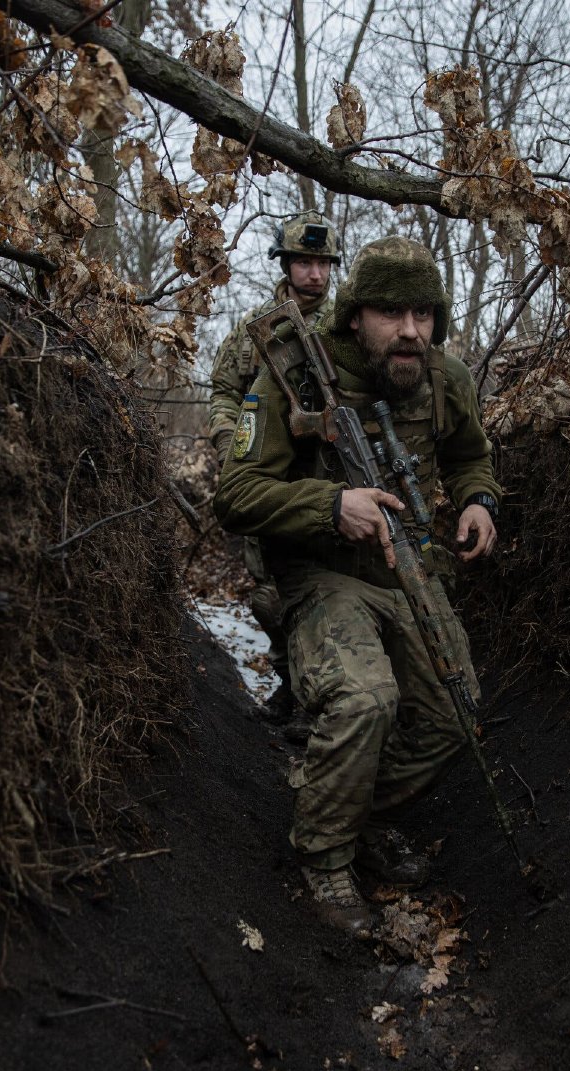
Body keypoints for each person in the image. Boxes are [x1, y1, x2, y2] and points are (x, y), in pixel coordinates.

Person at [213, 236, 500, 933]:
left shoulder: (445, 378)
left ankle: (350, 809)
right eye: (390, 312)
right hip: (321, 573)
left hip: (409, 569)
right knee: (366, 700)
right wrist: (329, 506)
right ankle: (326, 855)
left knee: (454, 716)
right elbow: (236, 493)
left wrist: (477, 501)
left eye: (424, 314)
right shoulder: (296, 378)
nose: (410, 331)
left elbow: (470, 455)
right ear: (353, 316)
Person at [208, 211, 340, 725]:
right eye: (304, 262)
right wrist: (231, 444)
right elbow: (224, 392)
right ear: (286, 264)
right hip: (270, 483)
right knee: (272, 594)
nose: (315, 274)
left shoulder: (347, 324)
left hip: (331, 483)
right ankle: (291, 684)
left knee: (326, 591)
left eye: (323, 263)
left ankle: (324, 699)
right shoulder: (255, 330)